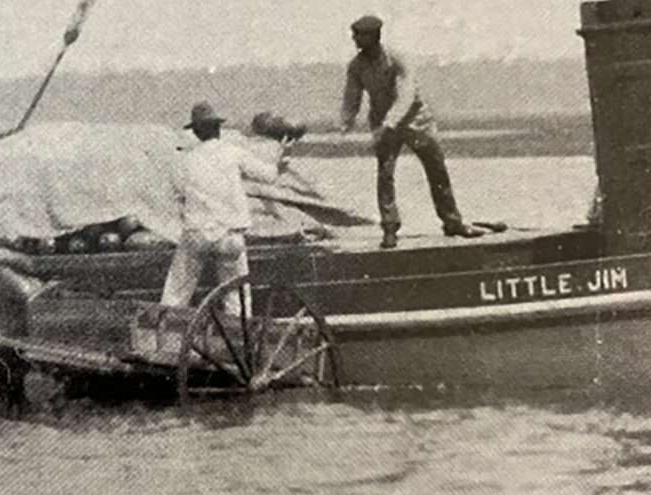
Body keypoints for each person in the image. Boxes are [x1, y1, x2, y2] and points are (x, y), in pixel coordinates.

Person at [313, 15, 482, 249]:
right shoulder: (356, 66)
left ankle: (452, 222)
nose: (354, 39)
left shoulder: (399, 59)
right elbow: (351, 99)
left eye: (359, 35)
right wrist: (343, 125)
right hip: (384, 125)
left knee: (437, 171)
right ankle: (390, 228)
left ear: (374, 36)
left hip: (417, 123)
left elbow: (406, 94)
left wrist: (389, 124)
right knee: (385, 175)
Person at [160, 101, 289, 315]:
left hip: (197, 234)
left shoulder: (185, 160)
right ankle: (238, 335)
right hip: (230, 235)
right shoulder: (233, 153)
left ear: (196, 133)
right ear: (218, 129)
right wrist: (282, 157)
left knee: (177, 289)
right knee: (236, 292)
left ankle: (165, 332)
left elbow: (177, 194)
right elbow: (269, 176)